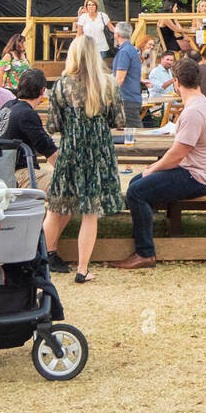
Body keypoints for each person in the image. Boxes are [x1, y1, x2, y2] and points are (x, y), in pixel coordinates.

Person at [117, 57, 206, 271]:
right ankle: (146, 232)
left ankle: (145, 253)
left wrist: (152, 168)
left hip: (198, 176)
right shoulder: (200, 102)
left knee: (137, 191)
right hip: (197, 171)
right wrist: (149, 172)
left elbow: (177, 154)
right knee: (137, 183)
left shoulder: (193, 110)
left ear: (176, 82)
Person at [43, 36, 124, 282]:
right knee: (91, 213)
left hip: (70, 151)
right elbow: (118, 121)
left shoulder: (61, 85)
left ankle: (38, 264)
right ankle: (82, 269)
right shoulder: (109, 84)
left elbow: (53, 125)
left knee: (56, 208)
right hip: (99, 152)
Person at [0, 67, 59, 205]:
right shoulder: (26, 113)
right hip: (20, 174)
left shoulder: (8, 106)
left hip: (1, 172)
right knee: (67, 186)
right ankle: (50, 226)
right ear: (43, 91)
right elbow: (47, 149)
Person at [111, 22, 143, 129]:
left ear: (117, 35)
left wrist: (108, 95)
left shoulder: (124, 52)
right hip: (133, 97)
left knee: (136, 134)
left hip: (126, 98)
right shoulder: (133, 50)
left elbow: (119, 79)